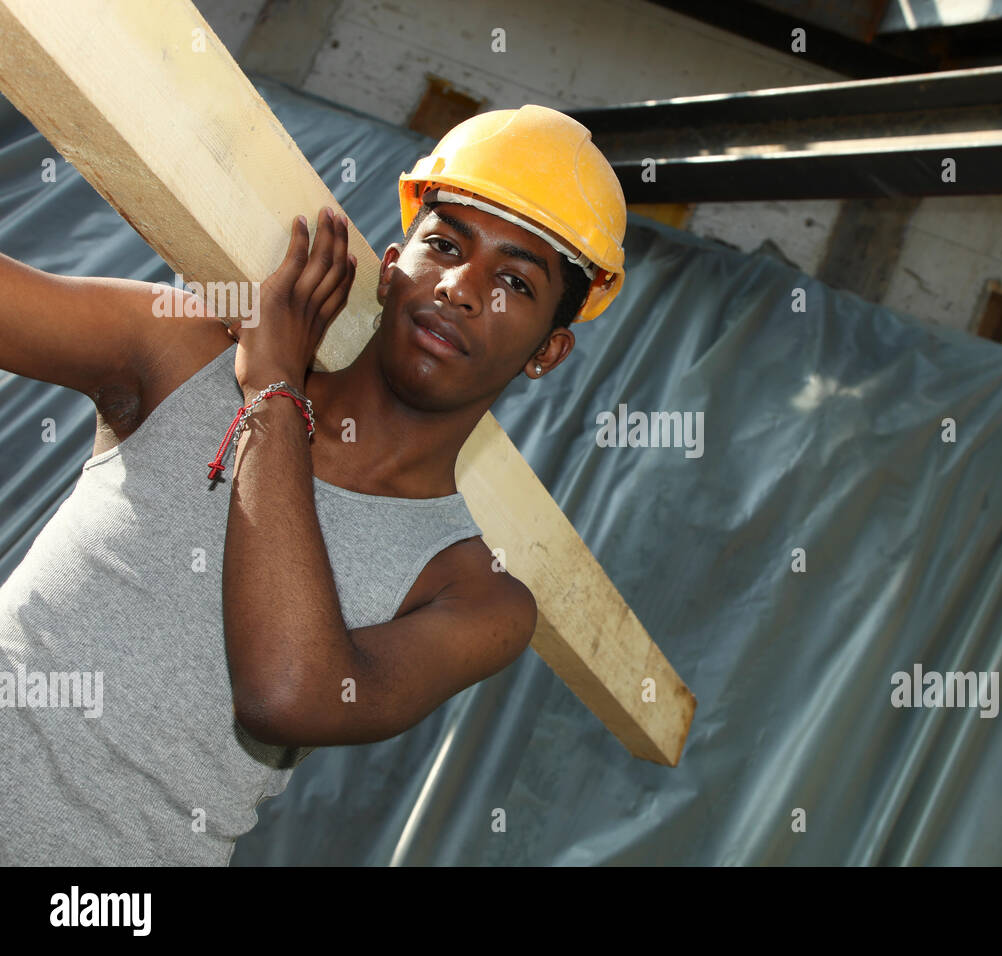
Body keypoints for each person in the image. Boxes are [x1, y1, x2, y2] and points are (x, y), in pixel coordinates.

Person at [0, 104, 627, 865]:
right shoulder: (180, 356)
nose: (462, 287)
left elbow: (285, 693)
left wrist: (272, 388)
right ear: (392, 267)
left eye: (516, 284)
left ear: (548, 353)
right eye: (445, 245)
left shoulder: (475, 593)